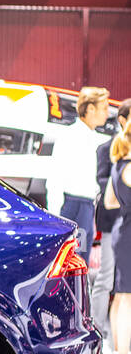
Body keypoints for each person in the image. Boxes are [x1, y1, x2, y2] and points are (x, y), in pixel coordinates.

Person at [49, 86, 111, 260]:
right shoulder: (69, 136)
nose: (107, 113)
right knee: (71, 261)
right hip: (72, 206)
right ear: (91, 108)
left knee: (81, 260)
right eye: (104, 108)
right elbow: (55, 177)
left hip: (87, 206)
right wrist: (57, 218)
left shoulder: (95, 138)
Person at [104, 119, 131, 354]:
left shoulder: (118, 165)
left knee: (121, 293)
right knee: (126, 295)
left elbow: (109, 202)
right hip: (129, 234)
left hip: (122, 230)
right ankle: (123, 352)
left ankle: (118, 349)